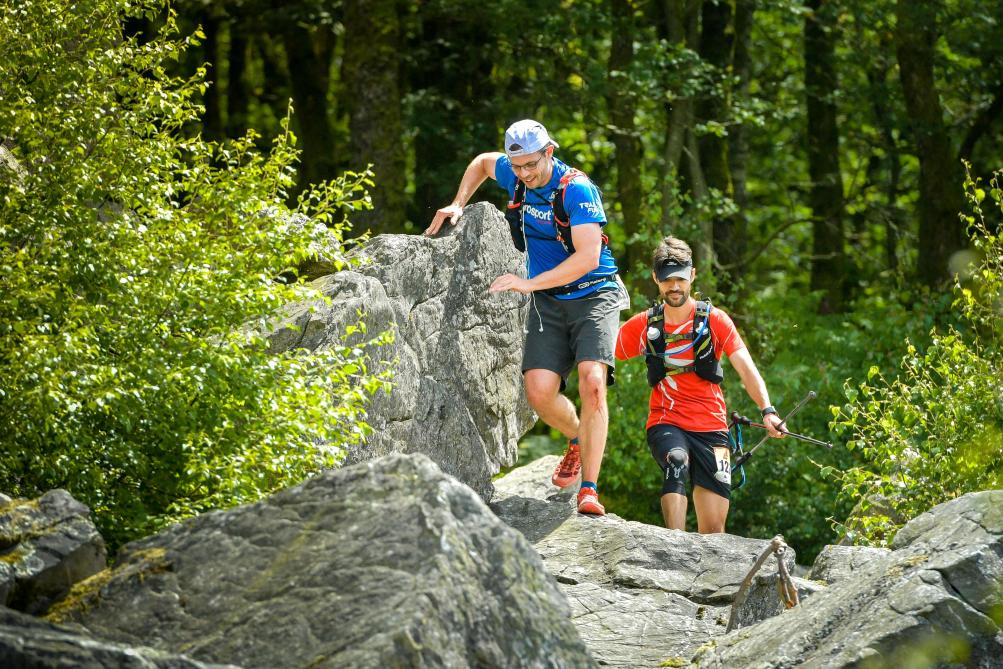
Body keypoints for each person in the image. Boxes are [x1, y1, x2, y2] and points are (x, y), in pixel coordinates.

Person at [425, 119, 625, 516]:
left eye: (531, 164)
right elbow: (482, 162)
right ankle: (577, 438)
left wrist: (527, 284)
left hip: (595, 295)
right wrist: (458, 203)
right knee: (538, 393)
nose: (524, 174)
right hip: (547, 300)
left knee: (592, 381)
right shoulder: (515, 175)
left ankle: (589, 490)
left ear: (549, 152)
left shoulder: (577, 190)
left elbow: (586, 258)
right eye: (517, 167)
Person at [614, 236, 785, 533]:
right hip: (666, 422)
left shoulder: (716, 321)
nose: (675, 287)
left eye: (680, 278)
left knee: (714, 529)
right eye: (667, 280)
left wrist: (767, 410)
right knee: (676, 460)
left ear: (692, 275)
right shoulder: (645, 325)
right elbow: (600, 352)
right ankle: (675, 544)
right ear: (656, 278)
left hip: (713, 428)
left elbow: (746, 367)